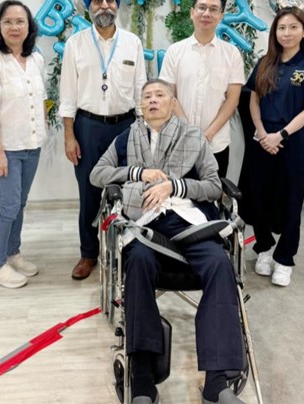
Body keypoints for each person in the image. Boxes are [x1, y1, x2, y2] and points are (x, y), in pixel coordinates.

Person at [91, 79, 245, 404]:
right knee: (138, 262)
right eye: (147, 96)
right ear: (141, 106)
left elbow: (214, 186)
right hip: (145, 223)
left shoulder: (193, 136)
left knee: (219, 263)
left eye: (160, 95)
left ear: (173, 103)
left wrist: (176, 186)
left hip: (188, 221)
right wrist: (137, 173)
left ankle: (217, 382)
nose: (153, 100)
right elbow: (97, 174)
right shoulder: (126, 138)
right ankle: (143, 378)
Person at [59, 0, 147, 280]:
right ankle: (88, 253)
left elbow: (141, 91)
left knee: (127, 191)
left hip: (126, 127)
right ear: (89, 6)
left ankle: (126, 250)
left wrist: (143, 132)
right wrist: (69, 136)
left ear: (117, 5)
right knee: (89, 192)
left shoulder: (132, 43)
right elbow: (67, 95)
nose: (104, 5)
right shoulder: (75, 44)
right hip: (88, 127)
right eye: (98, 0)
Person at [246, 6, 304, 287]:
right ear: (275, 32)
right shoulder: (265, 63)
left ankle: (284, 259)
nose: (287, 33)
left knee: (292, 202)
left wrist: (280, 135)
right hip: (262, 140)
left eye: (293, 27)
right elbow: (253, 100)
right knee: (260, 198)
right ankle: (264, 248)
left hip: (294, 142)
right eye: (281, 28)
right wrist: (262, 133)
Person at [0, 0, 47, 289]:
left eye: (20, 21)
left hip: (32, 145)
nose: (14, 27)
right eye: (8, 21)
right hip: (6, 148)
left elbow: (40, 100)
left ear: (29, 26)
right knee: (8, 206)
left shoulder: (36, 60)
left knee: (20, 203)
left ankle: (12, 253)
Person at [159, 0, 245, 178]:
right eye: (202, 7)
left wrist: (208, 134)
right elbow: (169, 96)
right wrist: (189, 133)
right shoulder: (175, 51)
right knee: (178, 193)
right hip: (179, 142)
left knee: (212, 193)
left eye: (213, 9)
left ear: (221, 16)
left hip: (216, 145)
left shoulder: (231, 54)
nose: (207, 13)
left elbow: (232, 100)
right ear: (192, 12)